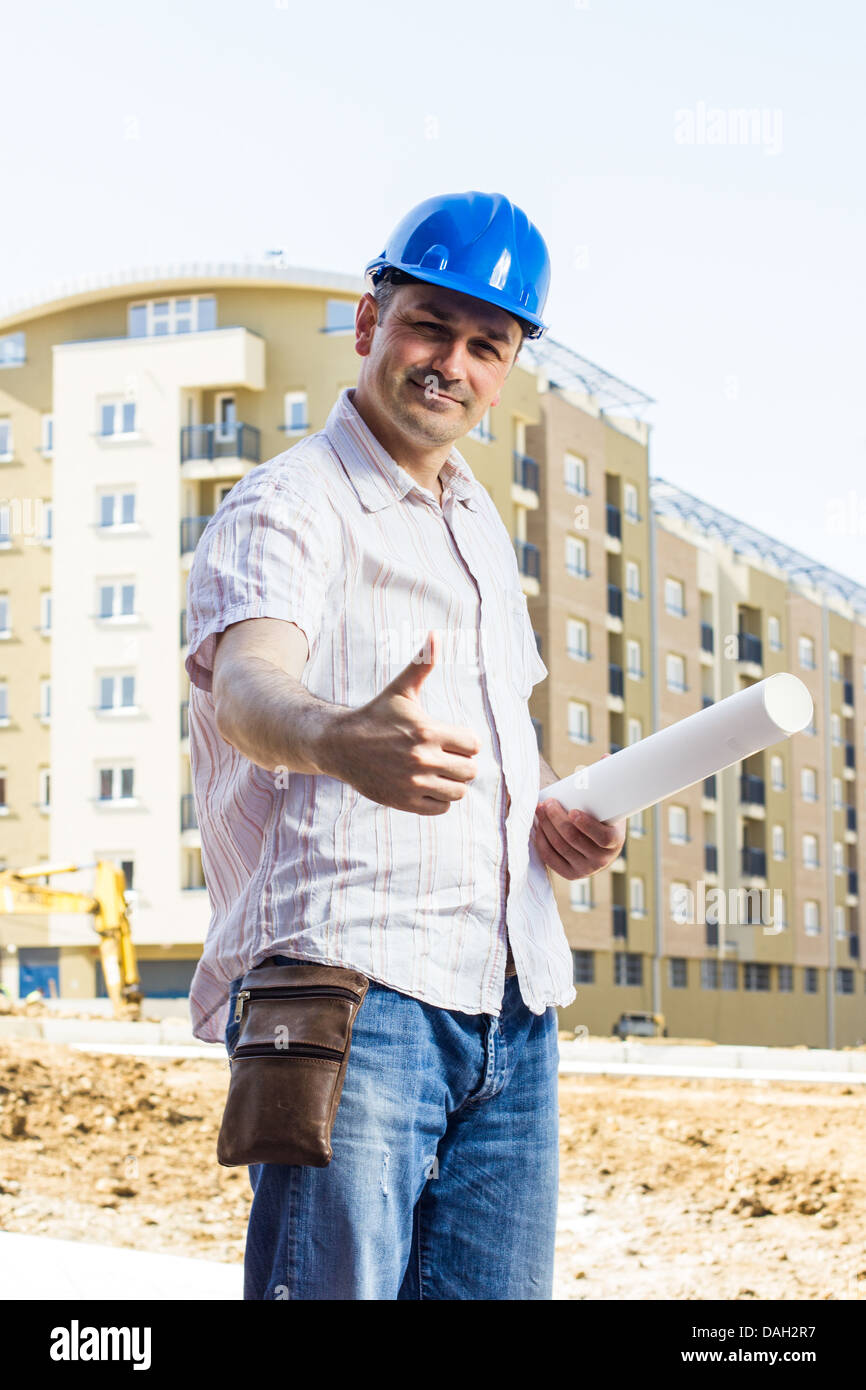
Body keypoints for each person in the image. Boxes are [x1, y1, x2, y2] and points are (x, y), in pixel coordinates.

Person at [183, 190, 626, 1299]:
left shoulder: (477, 522)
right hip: (354, 993)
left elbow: (483, 748)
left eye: (487, 344)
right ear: (368, 322)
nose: (452, 363)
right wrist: (336, 736)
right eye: (430, 325)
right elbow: (247, 686)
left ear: (508, 364)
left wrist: (547, 821)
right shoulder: (287, 505)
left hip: (509, 1017)